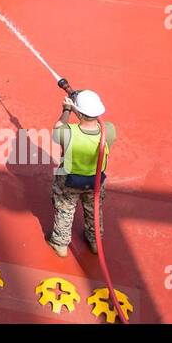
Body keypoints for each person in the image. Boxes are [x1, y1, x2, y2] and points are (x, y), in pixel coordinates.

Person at [49, 88, 116, 256]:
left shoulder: (68, 132)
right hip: (95, 180)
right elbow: (100, 125)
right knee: (93, 209)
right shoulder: (109, 131)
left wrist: (66, 110)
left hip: (70, 179)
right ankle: (94, 240)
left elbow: (57, 128)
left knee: (65, 209)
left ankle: (60, 244)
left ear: (78, 111)